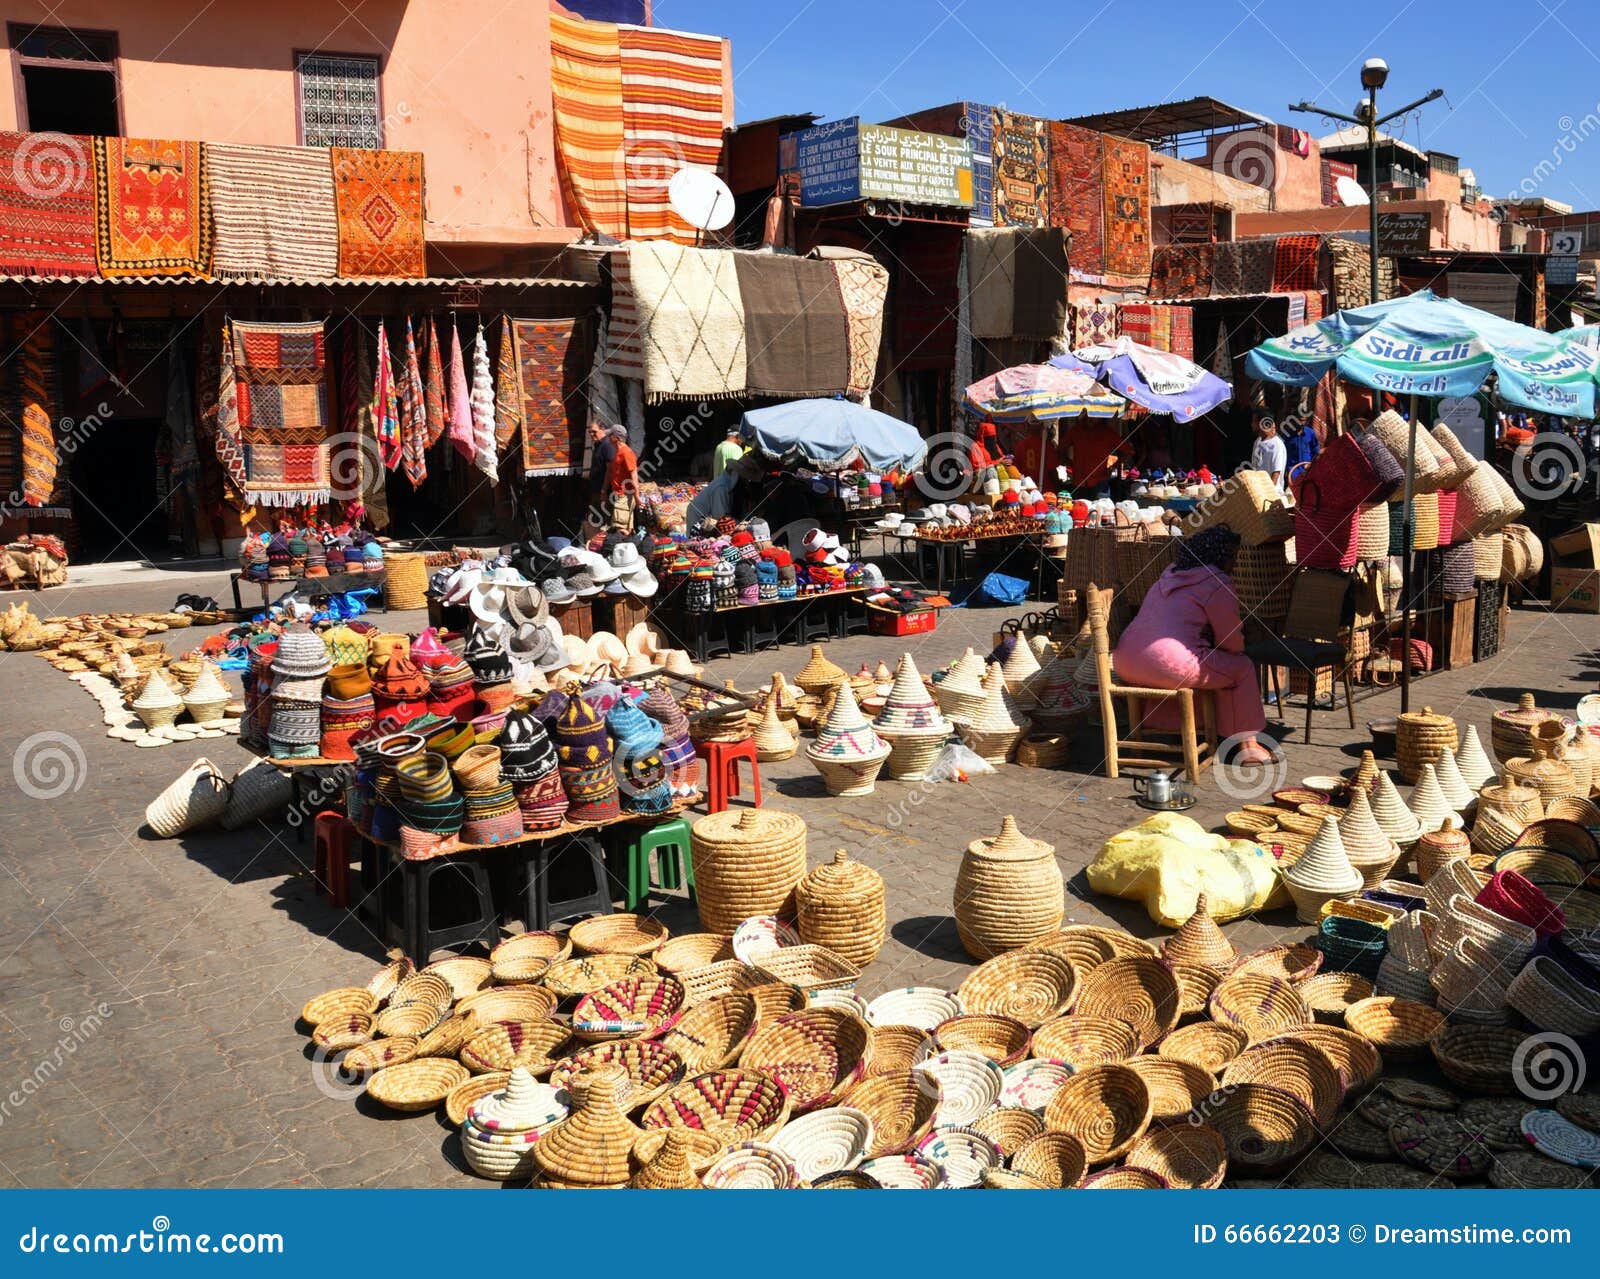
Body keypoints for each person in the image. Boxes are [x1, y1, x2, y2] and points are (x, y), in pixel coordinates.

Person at [1113, 525, 1273, 765]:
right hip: (1167, 664)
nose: (1234, 563)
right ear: (1219, 556)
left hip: (1125, 661)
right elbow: (1231, 638)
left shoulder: (1169, 575)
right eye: (1232, 557)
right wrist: (1234, 651)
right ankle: (1247, 747)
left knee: (1209, 663)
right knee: (1241, 668)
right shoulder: (1217, 581)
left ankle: (1180, 730)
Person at [1065, 420, 1130, 497]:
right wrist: (1071, 464)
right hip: (1079, 482)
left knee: (1101, 508)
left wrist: (1114, 466)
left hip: (1100, 482)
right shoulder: (1075, 431)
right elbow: (1060, 450)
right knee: (1077, 508)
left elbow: (1128, 451)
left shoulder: (1107, 432)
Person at [1249, 416, 1287, 491]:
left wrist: (1268, 493)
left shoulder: (1276, 445)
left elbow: (1276, 473)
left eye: (1254, 421)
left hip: (1271, 494)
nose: (1252, 424)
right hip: (1258, 490)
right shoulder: (1258, 441)